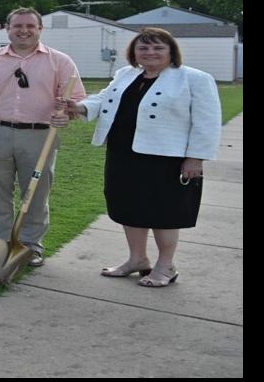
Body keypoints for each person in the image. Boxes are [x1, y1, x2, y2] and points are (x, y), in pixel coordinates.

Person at [67, 27, 221, 287]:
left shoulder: (194, 79)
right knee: (129, 207)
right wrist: (80, 106)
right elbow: (106, 99)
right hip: (123, 154)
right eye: (143, 47)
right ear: (134, 52)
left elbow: (207, 122)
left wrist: (195, 158)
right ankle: (137, 259)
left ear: (171, 51)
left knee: (165, 212)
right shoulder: (126, 74)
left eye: (158, 47)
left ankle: (166, 266)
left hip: (166, 159)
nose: (150, 52)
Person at [0, 7, 86, 267]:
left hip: (39, 134)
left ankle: (30, 244)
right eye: (17, 26)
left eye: (30, 26)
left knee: (36, 193)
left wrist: (68, 114)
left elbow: (76, 101)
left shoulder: (60, 61)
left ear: (40, 29)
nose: (24, 30)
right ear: (7, 29)